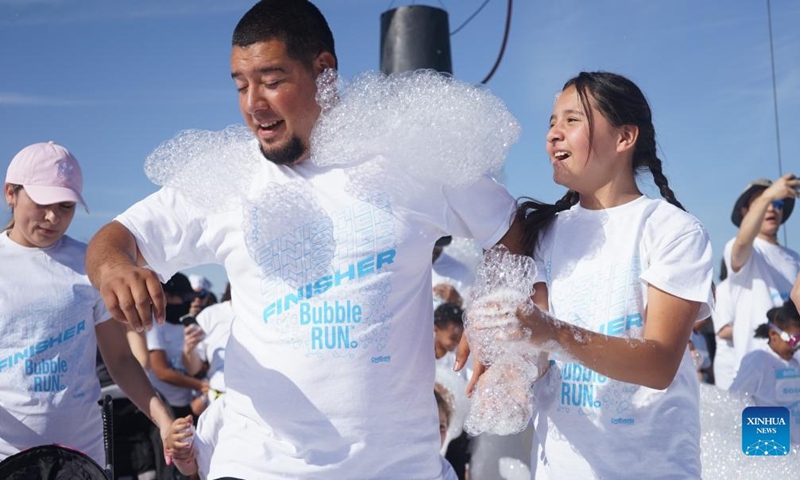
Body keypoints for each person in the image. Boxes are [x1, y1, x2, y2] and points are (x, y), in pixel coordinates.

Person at [85, 1, 521, 477]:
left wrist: (496, 312)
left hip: (397, 467)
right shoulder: (227, 179)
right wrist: (114, 267)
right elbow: (115, 237)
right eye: (240, 85)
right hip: (256, 465)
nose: (253, 103)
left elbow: (509, 225)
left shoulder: (408, 160)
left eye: (272, 82)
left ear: (324, 71)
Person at [503, 72, 713, 477]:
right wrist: (502, 354)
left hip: (653, 467)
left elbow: (660, 364)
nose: (553, 135)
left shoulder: (672, 230)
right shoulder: (545, 233)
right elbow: (537, 357)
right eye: (551, 123)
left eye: (572, 120)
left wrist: (552, 332)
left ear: (624, 138)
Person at [0, 142, 173, 466]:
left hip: (81, 456)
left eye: (66, 206)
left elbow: (120, 359)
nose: (53, 217)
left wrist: (163, 420)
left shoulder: (89, 264)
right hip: (8, 455)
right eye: (42, 203)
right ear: (11, 193)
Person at [724, 176, 799, 369]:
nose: (772, 208)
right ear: (744, 212)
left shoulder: (795, 258)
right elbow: (742, 243)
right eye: (762, 202)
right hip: (757, 375)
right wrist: (770, 195)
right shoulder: (740, 248)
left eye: (778, 203)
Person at [729, 299, 800, 444]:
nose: (796, 347)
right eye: (794, 340)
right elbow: (734, 400)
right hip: (771, 444)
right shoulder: (758, 361)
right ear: (774, 334)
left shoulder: (795, 364)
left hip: (794, 444)